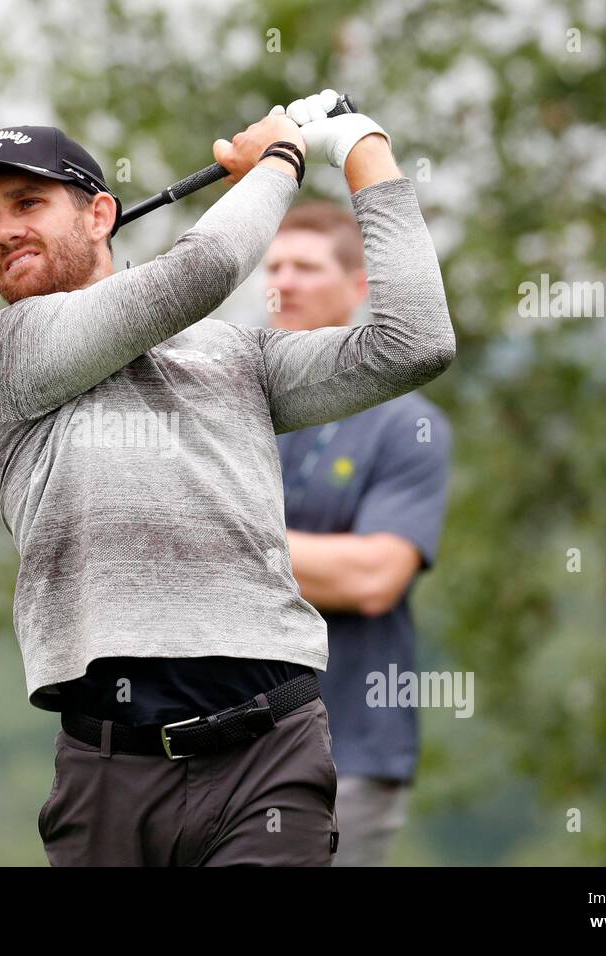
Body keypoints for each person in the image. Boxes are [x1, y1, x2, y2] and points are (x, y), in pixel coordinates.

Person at [0, 89, 455, 866]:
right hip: (108, 772)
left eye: (27, 203)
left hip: (268, 753)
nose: (4, 230)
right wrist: (278, 160)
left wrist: (361, 145)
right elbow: (202, 270)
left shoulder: (235, 355)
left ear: (101, 215)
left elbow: (415, 342)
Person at [265, 201, 453, 866]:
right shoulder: (242, 410)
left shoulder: (407, 424)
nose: (282, 282)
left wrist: (216, 539)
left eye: (306, 267)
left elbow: (374, 577)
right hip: (230, 752)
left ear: (358, 287)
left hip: (350, 750)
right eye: (274, 266)